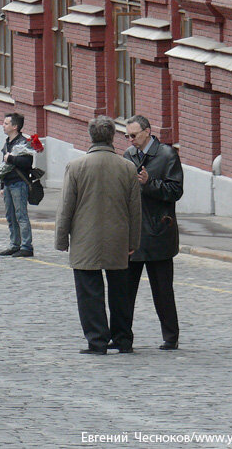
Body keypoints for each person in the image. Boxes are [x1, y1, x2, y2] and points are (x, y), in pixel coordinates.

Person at [56, 116, 141, 354]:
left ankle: (97, 340)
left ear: (91, 136)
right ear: (113, 136)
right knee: (120, 293)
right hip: (118, 238)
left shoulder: (76, 166)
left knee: (89, 293)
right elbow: (135, 209)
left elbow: (66, 206)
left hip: (85, 239)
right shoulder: (127, 167)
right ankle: (123, 339)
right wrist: (134, 240)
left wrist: (62, 239)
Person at [122, 115, 184, 351]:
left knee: (163, 290)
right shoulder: (129, 155)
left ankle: (171, 336)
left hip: (159, 230)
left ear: (147, 132)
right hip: (134, 232)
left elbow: (175, 191)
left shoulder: (167, 155)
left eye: (134, 135)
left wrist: (150, 184)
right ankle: (122, 336)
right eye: (127, 136)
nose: (130, 140)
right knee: (126, 290)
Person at [0, 111, 36, 257]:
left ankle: (26, 246)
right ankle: (14, 244)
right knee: (10, 215)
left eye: (6, 123)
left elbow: (27, 163)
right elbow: (3, 164)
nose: (3, 125)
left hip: (19, 183)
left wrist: (11, 159)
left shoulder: (24, 143)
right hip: (8, 183)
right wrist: (2, 185)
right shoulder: (8, 142)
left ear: (15, 126)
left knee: (21, 215)